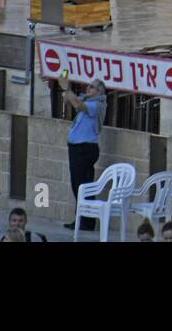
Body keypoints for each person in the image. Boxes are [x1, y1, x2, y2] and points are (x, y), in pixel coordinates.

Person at [59, 75, 105, 230]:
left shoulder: (97, 104)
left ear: (99, 92)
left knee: (82, 186)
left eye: (92, 87)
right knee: (80, 185)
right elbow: (67, 100)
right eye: (89, 85)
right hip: (78, 149)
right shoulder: (86, 99)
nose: (88, 88)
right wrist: (65, 79)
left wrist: (67, 88)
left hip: (84, 149)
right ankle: (84, 220)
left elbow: (78, 104)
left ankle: (85, 222)